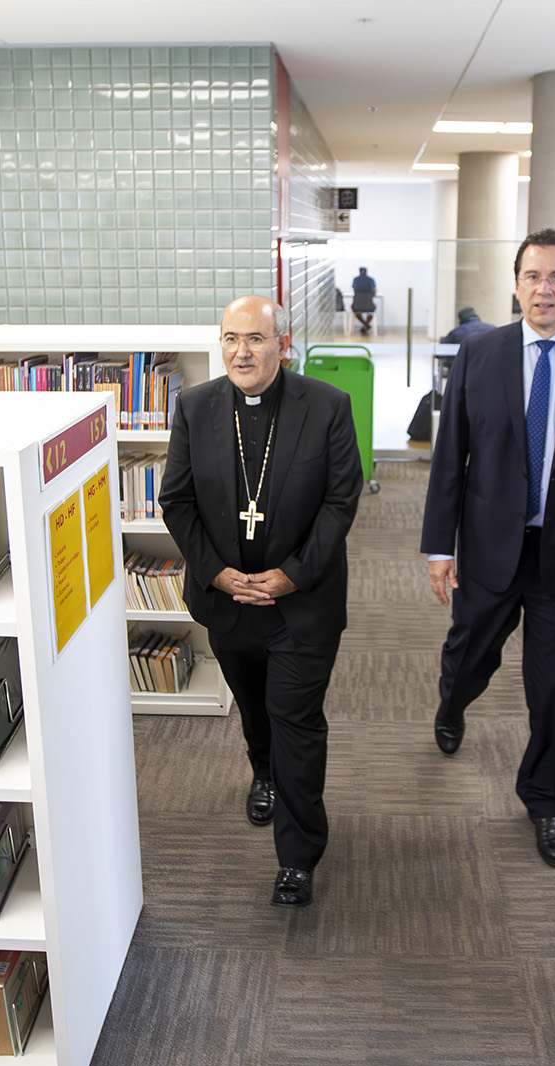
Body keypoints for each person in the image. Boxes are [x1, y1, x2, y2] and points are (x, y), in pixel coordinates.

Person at [420, 228, 555, 869]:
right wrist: (441, 545)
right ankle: (451, 704)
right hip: (490, 548)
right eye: (532, 277)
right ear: (515, 285)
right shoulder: (479, 354)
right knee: (469, 659)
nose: (544, 289)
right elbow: (450, 460)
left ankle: (544, 800)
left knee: (553, 688)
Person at [160, 295, 363, 907]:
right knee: (254, 707)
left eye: (254, 339)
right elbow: (177, 501)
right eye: (230, 339)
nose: (241, 351)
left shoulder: (326, 406)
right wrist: (217, 573)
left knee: (295, 720)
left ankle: (297, 858)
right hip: (227, 601)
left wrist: (292, 576)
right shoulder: (194, 408)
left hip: (302, 603)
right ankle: (263, 771)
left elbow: (340, 501)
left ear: (283, 342)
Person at [350, 267, 377, 333]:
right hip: (369, 306)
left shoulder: (355, 279)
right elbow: (374, 292)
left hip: (357, 306)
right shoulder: (371, 280)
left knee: (355, 310)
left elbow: (354, 290)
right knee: (372, 311)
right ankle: (366, 324)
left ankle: (365, 324)